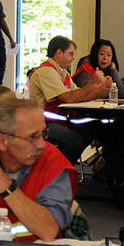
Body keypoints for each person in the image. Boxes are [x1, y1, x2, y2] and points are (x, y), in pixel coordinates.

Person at [0, 94, 75, 242]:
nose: (42, 144)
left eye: (44, 133)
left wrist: (3, 183)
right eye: (33, 137)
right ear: (1, 141)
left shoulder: (53, 163)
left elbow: (48, 230)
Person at [26, 36, 112, 164]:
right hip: (42, 123)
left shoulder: (63, 73)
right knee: (74, 141)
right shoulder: (45, 71)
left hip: (60, 120)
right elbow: (68, 98)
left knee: (96, 130)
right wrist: (93, 83)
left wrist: (101, 90)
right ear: (59, 53)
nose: (73, 58)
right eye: (70, 54)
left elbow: (79, 97)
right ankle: (55, 170)